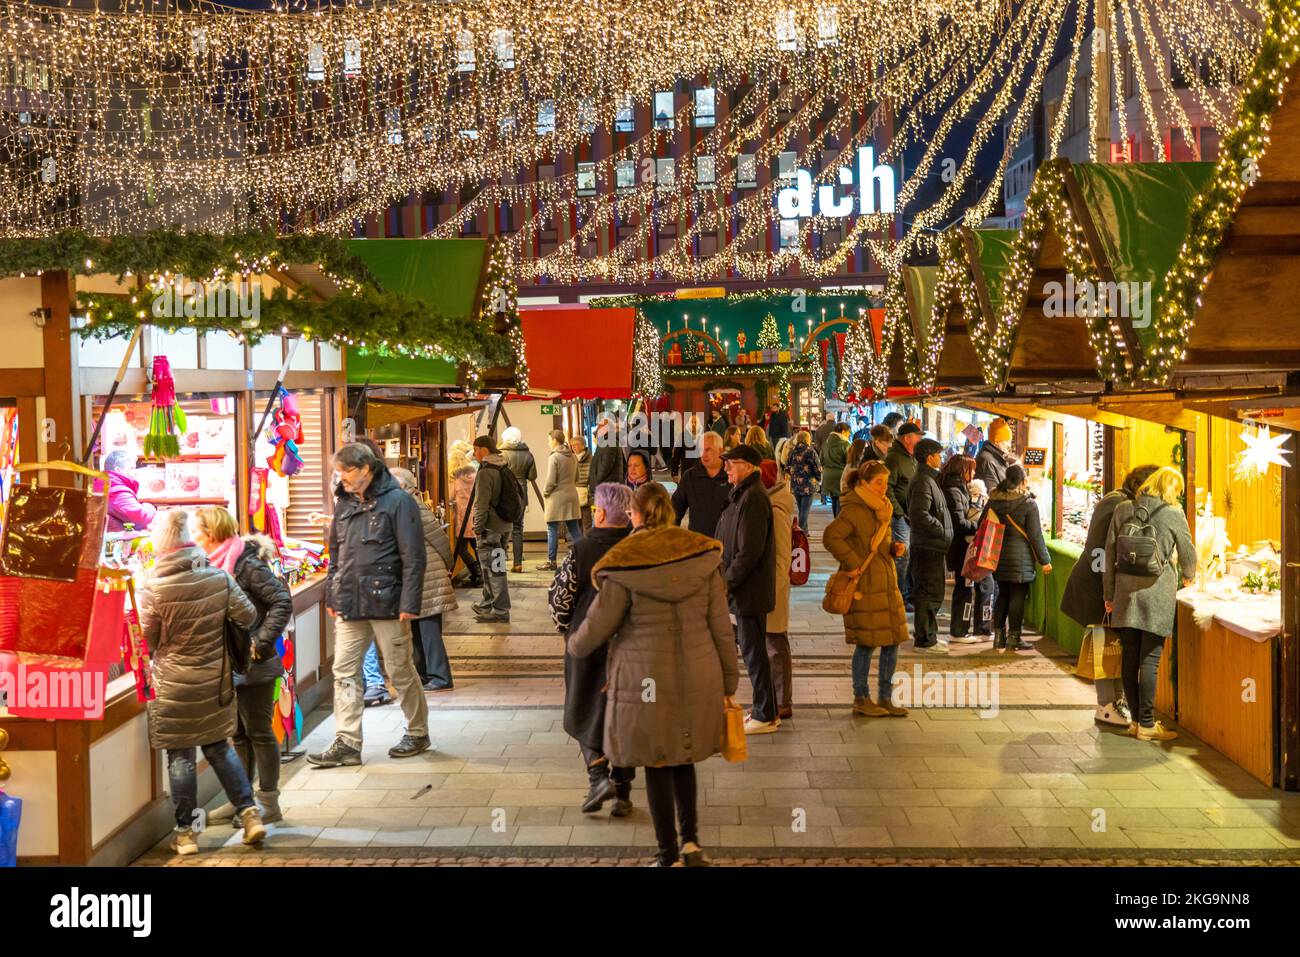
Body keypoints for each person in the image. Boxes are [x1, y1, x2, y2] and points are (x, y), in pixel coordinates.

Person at [567, 482, 739, 867]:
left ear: (636, 515)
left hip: (645, 681)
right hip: (698, 673)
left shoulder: (625, 560)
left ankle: (666, 854)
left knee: (658, 762)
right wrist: (729, 680)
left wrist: (573, 646)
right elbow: (721, 627)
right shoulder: (700, 555)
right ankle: (691, 842)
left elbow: (595, 628)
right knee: (683, 758)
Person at [139, 509, 264, 855]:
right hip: (215, 681)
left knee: (180, 758)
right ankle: (250, 815)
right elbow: (248, 615)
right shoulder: (217, 578)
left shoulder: (153, 587)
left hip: (172, 685)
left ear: (162, 547)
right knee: (220, 748)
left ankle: (188, 834)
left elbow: (145, 641)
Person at [310, 442, 432, 767]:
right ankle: (347, 741)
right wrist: (333, 594)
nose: (341, 478)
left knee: (399, 669)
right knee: (345, 671)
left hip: (389, 601)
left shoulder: (399, 502)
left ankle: (418, 731)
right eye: (338, 472)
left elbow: (414, 557)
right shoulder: (344, 503)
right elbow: (335, 554)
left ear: (366, 469)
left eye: (346, 471)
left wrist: (410, 601)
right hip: (350, 602)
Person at [190, 505, 293, 826]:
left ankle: (269, 802)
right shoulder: (211, 563)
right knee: (238, 734)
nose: (192, 536)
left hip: (255, 663)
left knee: (260, 732)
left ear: (211, 533)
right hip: (229, 664)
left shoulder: (246, 564)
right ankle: (243, 802)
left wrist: (260, 641)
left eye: (196, 531)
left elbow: (281, 600)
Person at [549, 483, 636, 816]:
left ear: (599, 513)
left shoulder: (581, 549)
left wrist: (567, 630)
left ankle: (598, 775)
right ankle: (624, 792)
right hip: (629, 645)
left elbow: (560, 599)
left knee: (583, 706)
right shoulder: (636, 546)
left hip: (587, 642)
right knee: (624, 714)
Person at [1061, 464, 1159, 728]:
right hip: (1097, 584)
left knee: (1109, 642)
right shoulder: (1121, 506)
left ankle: (1112, 702)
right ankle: (1107, 704)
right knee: (1106, 643)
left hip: (1095, 579)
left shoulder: (1114, 498)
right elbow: (1116, 550)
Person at [1104, 466, 1196, 742]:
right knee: (1150, 661)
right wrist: (1190, 578)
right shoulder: (1173, 513)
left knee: (1130, 657)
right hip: (1157, 592)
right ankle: (1146, 725)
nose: (1178, 496)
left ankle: (1135, 721)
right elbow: (1188, 554)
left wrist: (1109, 594)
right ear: (1171, 489)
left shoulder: (1122, 509)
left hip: (1124, 593)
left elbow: (1109, 554)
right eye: (1177, 491)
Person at [824, 462, 910, 717]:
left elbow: (877, 542)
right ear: (863, 483)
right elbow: (831, 537)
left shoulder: (882, 508)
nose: (883, 488)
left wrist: (893, 548)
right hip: (865, 585)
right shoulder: (855, 509)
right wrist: (852, 563)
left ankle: (885, 696)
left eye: (885, 482)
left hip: (886, 583)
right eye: (878, 483)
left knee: (892, 641)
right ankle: (861, 697)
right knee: (866, 643)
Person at [714, 444, 779, 733]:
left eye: (732, 463)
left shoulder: (753, 498)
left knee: (754, 654)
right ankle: (766, 711)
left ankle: (765, 714)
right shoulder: (742, 495)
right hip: (743, 590)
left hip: (748, 592)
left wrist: (725, 584)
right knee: (753, 653)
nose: (726, 468)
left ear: (749, 467)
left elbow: (749, 551)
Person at [390, 468, 457, 693]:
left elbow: (438, 538)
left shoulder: (412, 506)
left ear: (402, 486)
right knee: (419, 629)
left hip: (430, 576)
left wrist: (448, 564)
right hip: (421, 578)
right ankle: (426, 674)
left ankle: (440, 676)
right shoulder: (404, 505)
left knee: (428, 631)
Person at [986, 465, 1052, 652]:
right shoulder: (1028, 504)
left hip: (997, 555)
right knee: (1017, 596)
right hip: (1020, 557)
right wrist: (1044, 560)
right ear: (1023, 481)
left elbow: (984, 524)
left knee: (1003, 594)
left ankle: (999, 637)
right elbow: (1035, 535)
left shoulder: (993, 500)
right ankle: (1014, 637)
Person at [939, 454, 993, 644]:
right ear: (963, 470)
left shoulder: (956, 488)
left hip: (963, 547)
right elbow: (959, 522)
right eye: (971, 469)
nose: (974, 473)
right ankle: (962, 631)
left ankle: (970, 630)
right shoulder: (954, 490)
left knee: (971, 586)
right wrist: (979, 528)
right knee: (969, 587)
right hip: (964, 547)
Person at [907, 438, 953, 655]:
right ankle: (925, 640)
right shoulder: (924, 481)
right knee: (927, 592)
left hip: (931, 545)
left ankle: (929, 636)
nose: (941, 458)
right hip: (927, 546)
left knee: (933, 591)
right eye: (938, 454)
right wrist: (942, 531)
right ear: (929, 457)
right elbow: (919, 514)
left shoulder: (928, 479)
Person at [761, 459, 796, 720]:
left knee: (775, 643)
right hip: (765, 586)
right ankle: (771, 698)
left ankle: (782, 700)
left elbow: (782, 556)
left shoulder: (774, 510)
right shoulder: (769, 505)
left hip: (772, 587)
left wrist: (773, 590)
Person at [469, 435, 514, 623]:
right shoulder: (503, 466)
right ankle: (487, 602)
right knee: (490, 567)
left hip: (491, 529)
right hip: (504, 526)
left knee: (495, 569)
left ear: (484, 450)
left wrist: (477, 527)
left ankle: (501, 610)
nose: (474, 453)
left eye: (476, 449)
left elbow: (481, 503)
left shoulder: (486, 472)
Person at [885, 422, 922, 607]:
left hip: (909, 515)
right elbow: (887, 487)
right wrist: (898, 512)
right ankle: (898, 596)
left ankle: (906, 593)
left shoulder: (911, 457)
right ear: (907, 438)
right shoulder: (894, 458)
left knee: (908, 556)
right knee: (902, 556)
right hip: (900, 516)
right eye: (917, 437)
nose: (920, 440)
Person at [671, 429, 731, 537]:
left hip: (726, 543)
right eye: (701, 449)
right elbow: (675, 508)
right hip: (698, 543)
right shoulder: (690, 476)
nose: (704, 454)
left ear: (720, 451)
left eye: (708, 450)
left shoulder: (731, 476)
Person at [539, 429, 583, 571]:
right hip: (571, 495)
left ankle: (551, 561)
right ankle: (583, 556)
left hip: (557, 497)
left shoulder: (554, 457)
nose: (547, 443)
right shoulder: (573, 456)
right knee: (574, 529)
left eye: (548, 440)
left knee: (552, 529)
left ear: (554, 440)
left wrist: (545, 492)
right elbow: (577, 478)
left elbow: (551, 480)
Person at [500, 426, 537, 574]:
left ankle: (500, 565)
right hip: (521, 493)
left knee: (502, 529)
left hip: (504, 493)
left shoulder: (501, 454)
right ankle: (517, 564)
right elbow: (532, 476)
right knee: (517, 529)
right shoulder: (528, 454)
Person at [448, 442, 481, 588]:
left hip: (462, 515)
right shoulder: (474, 474)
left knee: (460, 546)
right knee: (476, 544)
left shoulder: (455, 478)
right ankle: (481, 573)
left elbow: (449, 497)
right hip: (475, 513)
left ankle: (477, 572)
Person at [104, 448, 157, 532]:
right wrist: (151, 507)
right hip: (117, 542)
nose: (134, 472)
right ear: (118, 470)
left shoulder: (106, 485)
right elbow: (140, 518)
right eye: (131, 468)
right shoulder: (117, 491)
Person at [786, 430, 823, 530]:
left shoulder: (792, 451)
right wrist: (819, 479)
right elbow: (817, 468)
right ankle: (801, 531)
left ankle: (805, 530)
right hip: (808, 485)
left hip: (795, 485)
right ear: (808, 439)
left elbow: (787, 467)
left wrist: (794, 475)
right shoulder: (810, 452)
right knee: (804, 510)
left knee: (801, 509)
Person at [588, 415, 626, 497]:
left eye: (600, 426)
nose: (597, 428)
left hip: (606, 488)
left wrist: (596, 482)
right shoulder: (606, 442)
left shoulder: (609, 442)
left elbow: (606, 466)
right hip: (607, 487)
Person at [975, 417, 1018, 490]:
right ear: (997, 441)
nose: (1009, 445)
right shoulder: (987, 460)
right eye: (1007, 441)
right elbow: (992, 493)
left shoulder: (998, 457)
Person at [822, 422, 851, 516]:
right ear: (843, 431)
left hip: (827, 475)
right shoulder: (845, 444)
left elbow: (821, 459)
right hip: (840, 476)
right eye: (848, 432)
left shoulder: (826, 443)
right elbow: (849, 462)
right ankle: (839, 521)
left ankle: (836, 518)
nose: (849, 434)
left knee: (834, 499)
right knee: (841, 500)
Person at [570, 434, 593, 532]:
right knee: (575, 523)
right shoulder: (570, 458)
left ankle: (587, 545)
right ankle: (578, 545)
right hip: (573, 493)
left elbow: (593, 476)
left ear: (583, 446)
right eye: (572, 445)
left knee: (586, 522)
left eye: (576, 445)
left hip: (585, 494)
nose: (573, 447)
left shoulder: (591, 458)